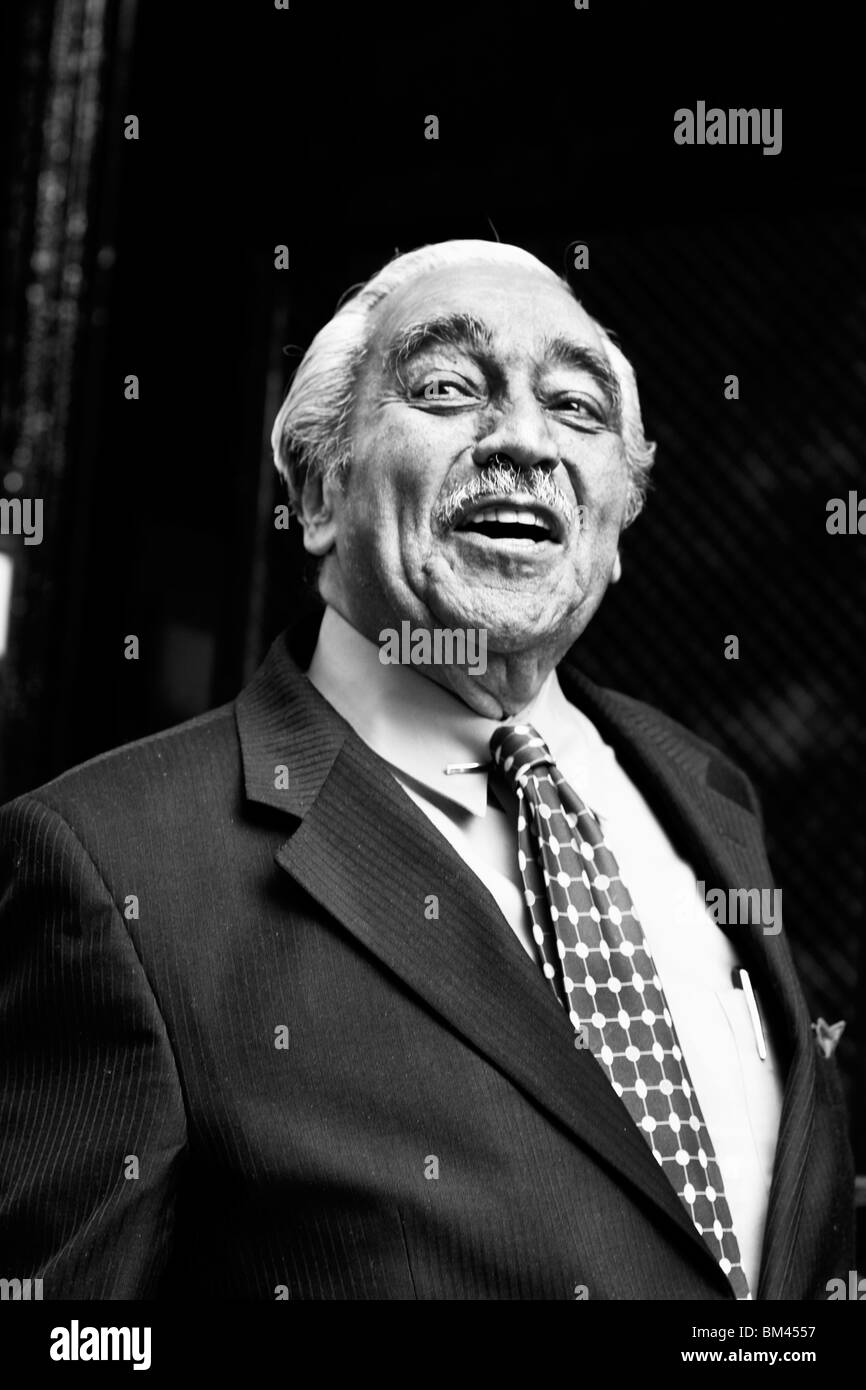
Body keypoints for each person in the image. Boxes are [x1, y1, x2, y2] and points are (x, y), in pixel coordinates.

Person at [0, 240, 853, 1300]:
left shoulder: (710, 795)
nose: (524, 442)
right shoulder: (110, 865)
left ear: (616, 527)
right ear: (317, 488)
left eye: (578, 409)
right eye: (448, 388)